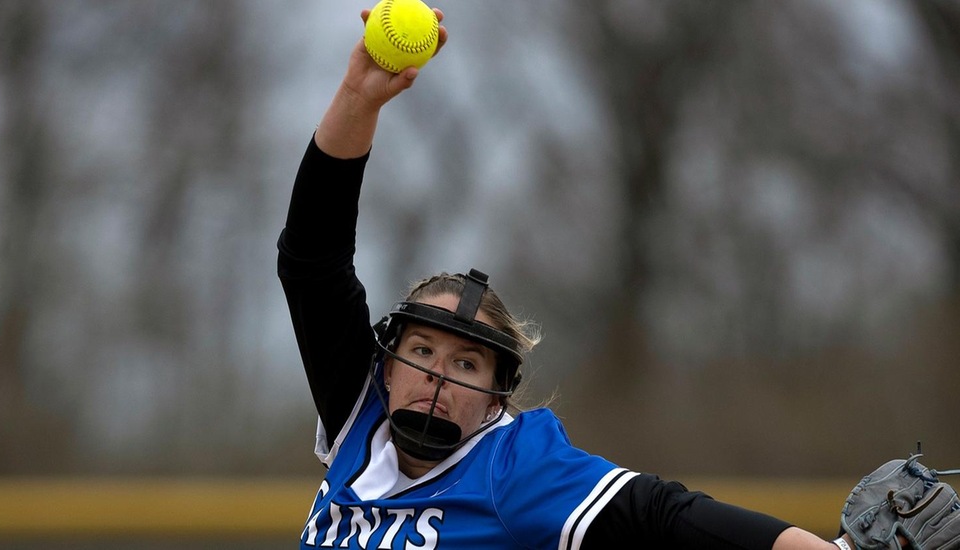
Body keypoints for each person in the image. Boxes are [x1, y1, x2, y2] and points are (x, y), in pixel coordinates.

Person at [277, 7, 865, 549]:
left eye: (465, 363)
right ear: (386, 365)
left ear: (494, 401)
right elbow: (310, 261)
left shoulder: (513, 468)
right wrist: (358, 97)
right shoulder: (360, 413)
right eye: (423, 350)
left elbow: (663, 514)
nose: (435, 377)